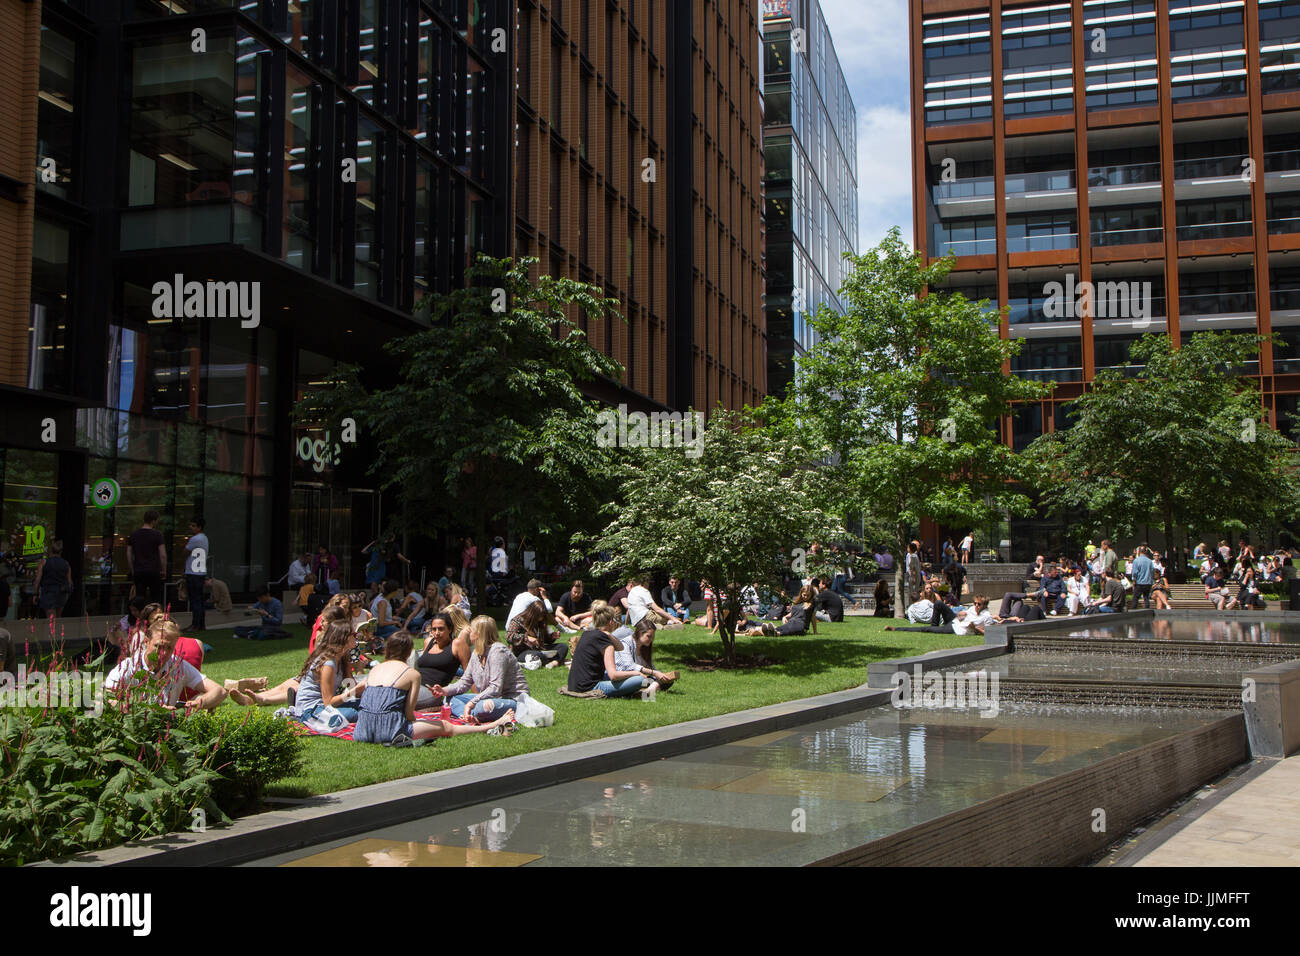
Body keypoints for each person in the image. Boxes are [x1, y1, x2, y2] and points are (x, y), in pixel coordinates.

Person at [354, 632, 514, 744]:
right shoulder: (411, 674)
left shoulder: (374, 669)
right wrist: (421, 725)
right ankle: (493, 725)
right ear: (410, 652)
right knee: (445, 726)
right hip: (390, 731)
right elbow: (409, 714)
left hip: (362, 730)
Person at [105, 618, 227, 712]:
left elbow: (219, 691)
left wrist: (195, 703)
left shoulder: (177, 665)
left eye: (169, 648)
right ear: (146, 642)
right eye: (159, 646)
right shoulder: (128, 667)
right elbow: (107, 699)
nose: (163, 653)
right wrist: (149, 711)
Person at [565, 603, 675, 698]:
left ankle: (646, 690)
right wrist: (636, 673)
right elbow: (613, 675)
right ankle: (642, 691)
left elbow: (620, 647)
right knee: (639, 680)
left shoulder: (587, 634)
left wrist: (608, 634)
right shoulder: (605, 642)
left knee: (635, 678)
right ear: (611, 623)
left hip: (574, 684)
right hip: (589, 687)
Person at [431, 615, 528, 721]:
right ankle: (471, 716)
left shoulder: (498, 652)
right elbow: (465, 681)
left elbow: (495, 688)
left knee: (483, 706)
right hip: (489, 698)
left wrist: (471, 703)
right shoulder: (476, 653)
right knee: (449, 699)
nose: (469, 633)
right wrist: (444, 690)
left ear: (479, 634)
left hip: (512, 700)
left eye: (471, 631)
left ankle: (472, 714)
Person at [293, 621, 365, 724]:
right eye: (353, 634)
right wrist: (357, 689)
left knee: (367, 706)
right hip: (311, 710)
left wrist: (367, 690)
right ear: (344, 639)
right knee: (354, 714)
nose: (356, 636)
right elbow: (328, 702)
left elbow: (351, 688)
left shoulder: (342, 658)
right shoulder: (328, 664)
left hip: (326, 706)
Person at [415, 612, 471, 708]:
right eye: (434, 629)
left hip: (432, 692)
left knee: (401, 699)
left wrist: (477, 697)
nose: (437, 632)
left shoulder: (457, 644)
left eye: (441, 629)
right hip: (415, 685)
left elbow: (470, 674)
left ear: (450, 629)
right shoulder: (428, 642)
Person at [887, 594, 1012, 635]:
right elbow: (964, 613)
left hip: (958, 628)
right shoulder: (972, 610)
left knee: (926, 629)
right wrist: (961, 614)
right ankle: (934, 625)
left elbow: (988, 632)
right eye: (975, 603)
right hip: (956, 620)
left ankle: (896, 629)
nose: (976, 606)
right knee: (939, 603)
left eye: (978, 604)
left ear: (984, 606)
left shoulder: (986, 617)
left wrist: (976, 629)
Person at [506, 599, 568, 668]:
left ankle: (554, 663)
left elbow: (544, 640)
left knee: (563, 646)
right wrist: (527, 638)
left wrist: (552, 637)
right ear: (532, 613)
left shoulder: (540, 622)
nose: (540, 619)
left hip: (539, 649)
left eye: (542, 616)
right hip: (522, 651)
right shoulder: (517, 620)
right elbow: (509, 636)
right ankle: (555, 660)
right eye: (539, 616)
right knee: (539, 655)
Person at [126, 509, 167, 605]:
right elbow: (163, 555)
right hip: (154, 570)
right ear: (153, 521)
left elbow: (128, 554)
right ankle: (155, 617)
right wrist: (164, 570)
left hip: (139, 570)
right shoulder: (158, 535)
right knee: (156, 598)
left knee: (139, 597)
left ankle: (139, 618)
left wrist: (132, 570)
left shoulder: (134, 535)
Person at [34, 539, 73, 619]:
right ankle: (59, 631)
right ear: (61, 552)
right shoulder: (66, 564)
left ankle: (52, 632)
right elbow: (69, 582)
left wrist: (35, 593)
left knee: (51, 619)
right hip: (62, 593)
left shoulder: (44, 562)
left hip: (49, 592)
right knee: (58, 617)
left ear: (50, 551)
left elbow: (37, 579)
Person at [182, 517, 209, 632]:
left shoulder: (195, 539)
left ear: (199, 527)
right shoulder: (204, 538)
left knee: (195, 599)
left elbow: (185, 552)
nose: (191, 528)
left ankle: (196, 624)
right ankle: (200, 624)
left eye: (193, 526)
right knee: (199, 599)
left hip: (193, 572)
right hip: (200, 571)